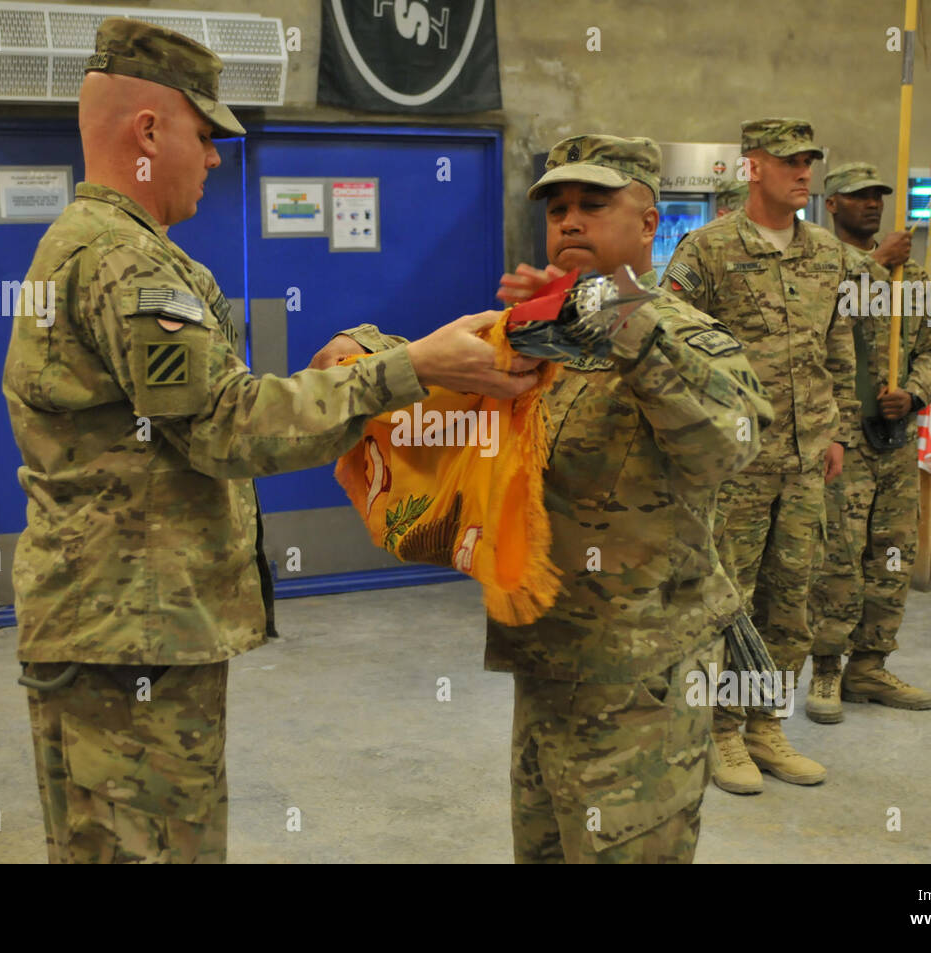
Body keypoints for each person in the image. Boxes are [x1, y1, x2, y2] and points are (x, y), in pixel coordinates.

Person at [3, 17, 540, 864]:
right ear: (149, 131)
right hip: (126, 634)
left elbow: (199, 410)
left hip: (127, 626)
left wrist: (379, 370)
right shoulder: (123, 261)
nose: (217, 157)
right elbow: (222, 426)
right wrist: (404, 368)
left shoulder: (109, 250)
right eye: (205, 134)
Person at [318, 135, 772, 862]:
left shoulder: (683, 335)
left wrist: (618, 314)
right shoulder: (537, 338)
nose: (568, 221)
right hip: (544, 664)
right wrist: (361, 345)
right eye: (558, 207)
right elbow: (450, 376)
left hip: (642, 680)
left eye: (593, 205)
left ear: (651, 223)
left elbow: (730, 442)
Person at [665, 119, 859, 795]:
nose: (803, 172)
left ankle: (765, 725)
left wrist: (837, 433)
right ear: (753, 169)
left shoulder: (828, 254)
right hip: (736, 465)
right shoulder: (708, 249)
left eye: (809, 160)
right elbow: (669, 341)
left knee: (790, 600)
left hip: (806, 461)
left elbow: (837, 347)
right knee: (729, 600)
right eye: (788, 161)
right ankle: (718, 731)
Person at [805, 161, 931, 723]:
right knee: (836, 556)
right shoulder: (818, 263)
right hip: (840, 439)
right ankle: (824, 670)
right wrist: (873, 265)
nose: (871, 204)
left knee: (892, 554)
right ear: (832, 204)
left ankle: (868, 665)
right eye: (857, 196)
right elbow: (811, 321)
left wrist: (913, 394)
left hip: (895, 439)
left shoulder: (914, 281)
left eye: (878, 196)